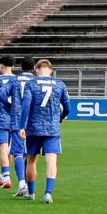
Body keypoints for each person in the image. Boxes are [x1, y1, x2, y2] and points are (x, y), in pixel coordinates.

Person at [19, 57, 71, 204]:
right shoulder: (59, 85)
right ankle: (48, 193)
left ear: (36, 70)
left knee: (30, 160)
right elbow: (68, 107)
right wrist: (61, 117)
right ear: (51, 70)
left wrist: (22, 126)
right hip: (52, 129)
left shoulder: (31, 84)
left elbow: (25, 106)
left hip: (33, 128)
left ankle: (31, 192)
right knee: (51, 162)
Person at [0, 55, 26, 190]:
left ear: (1, 66)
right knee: (11, 149)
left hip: (1, 119)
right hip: (16, 119)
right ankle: (3, 174)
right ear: (14, 66)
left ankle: (6, 175)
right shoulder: (18, 80)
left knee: (3, 147)